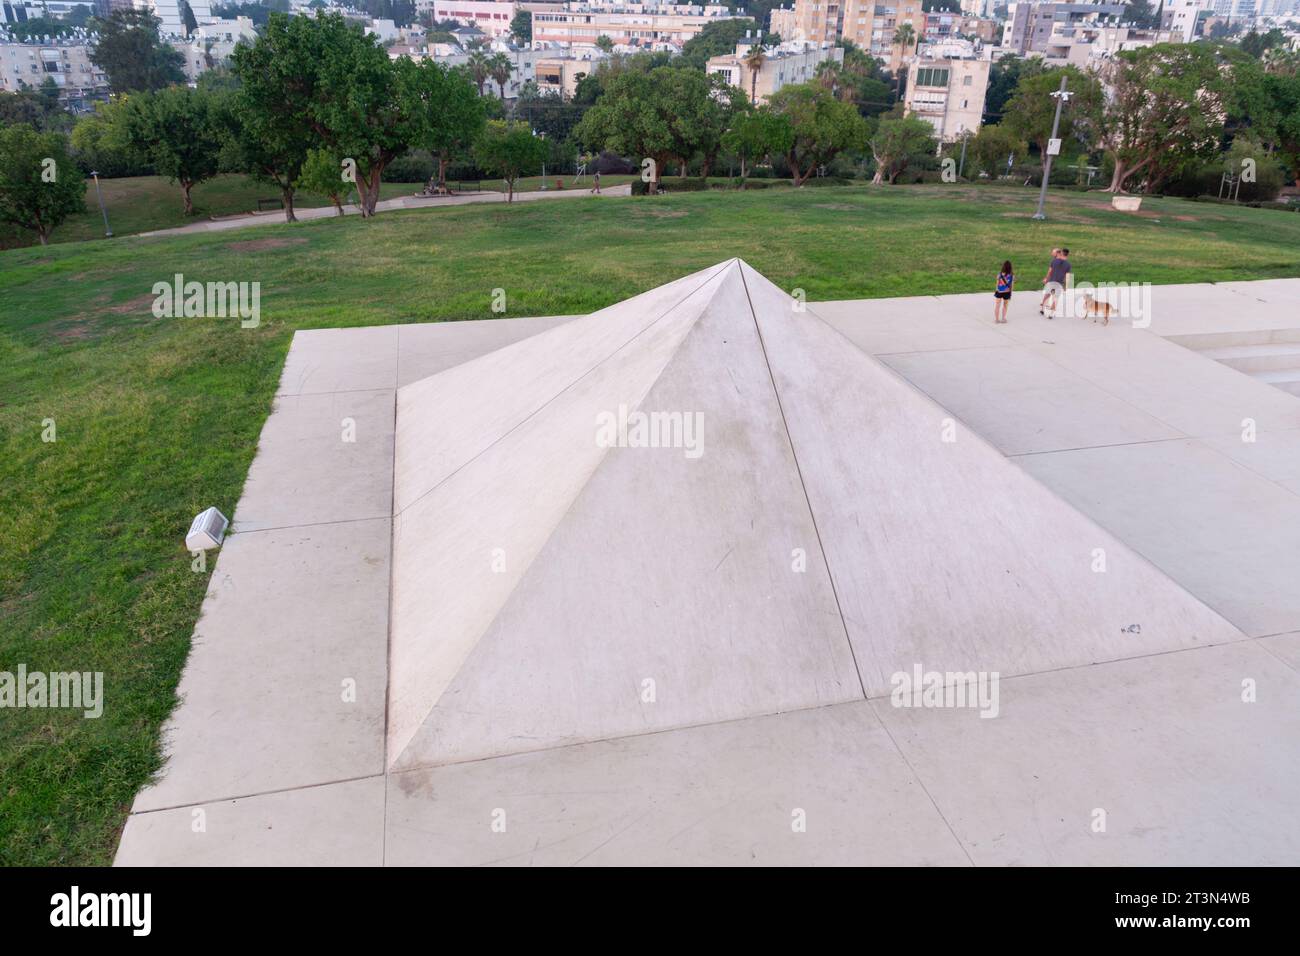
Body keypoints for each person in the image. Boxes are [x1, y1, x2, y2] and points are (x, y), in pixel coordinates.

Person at [1040, 247, 1071, 318]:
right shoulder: (1068, 265)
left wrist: (1046, 279)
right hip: (1059, 283)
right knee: (1056, 298)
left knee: (1047, 295)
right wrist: (1066, 286)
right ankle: (1051, 314)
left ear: (1061, 253)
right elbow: (1067, 277)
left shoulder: (1054, 261)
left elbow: (1049, 272)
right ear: (1067, 255)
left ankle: (1042, 309)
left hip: (1051, 281)